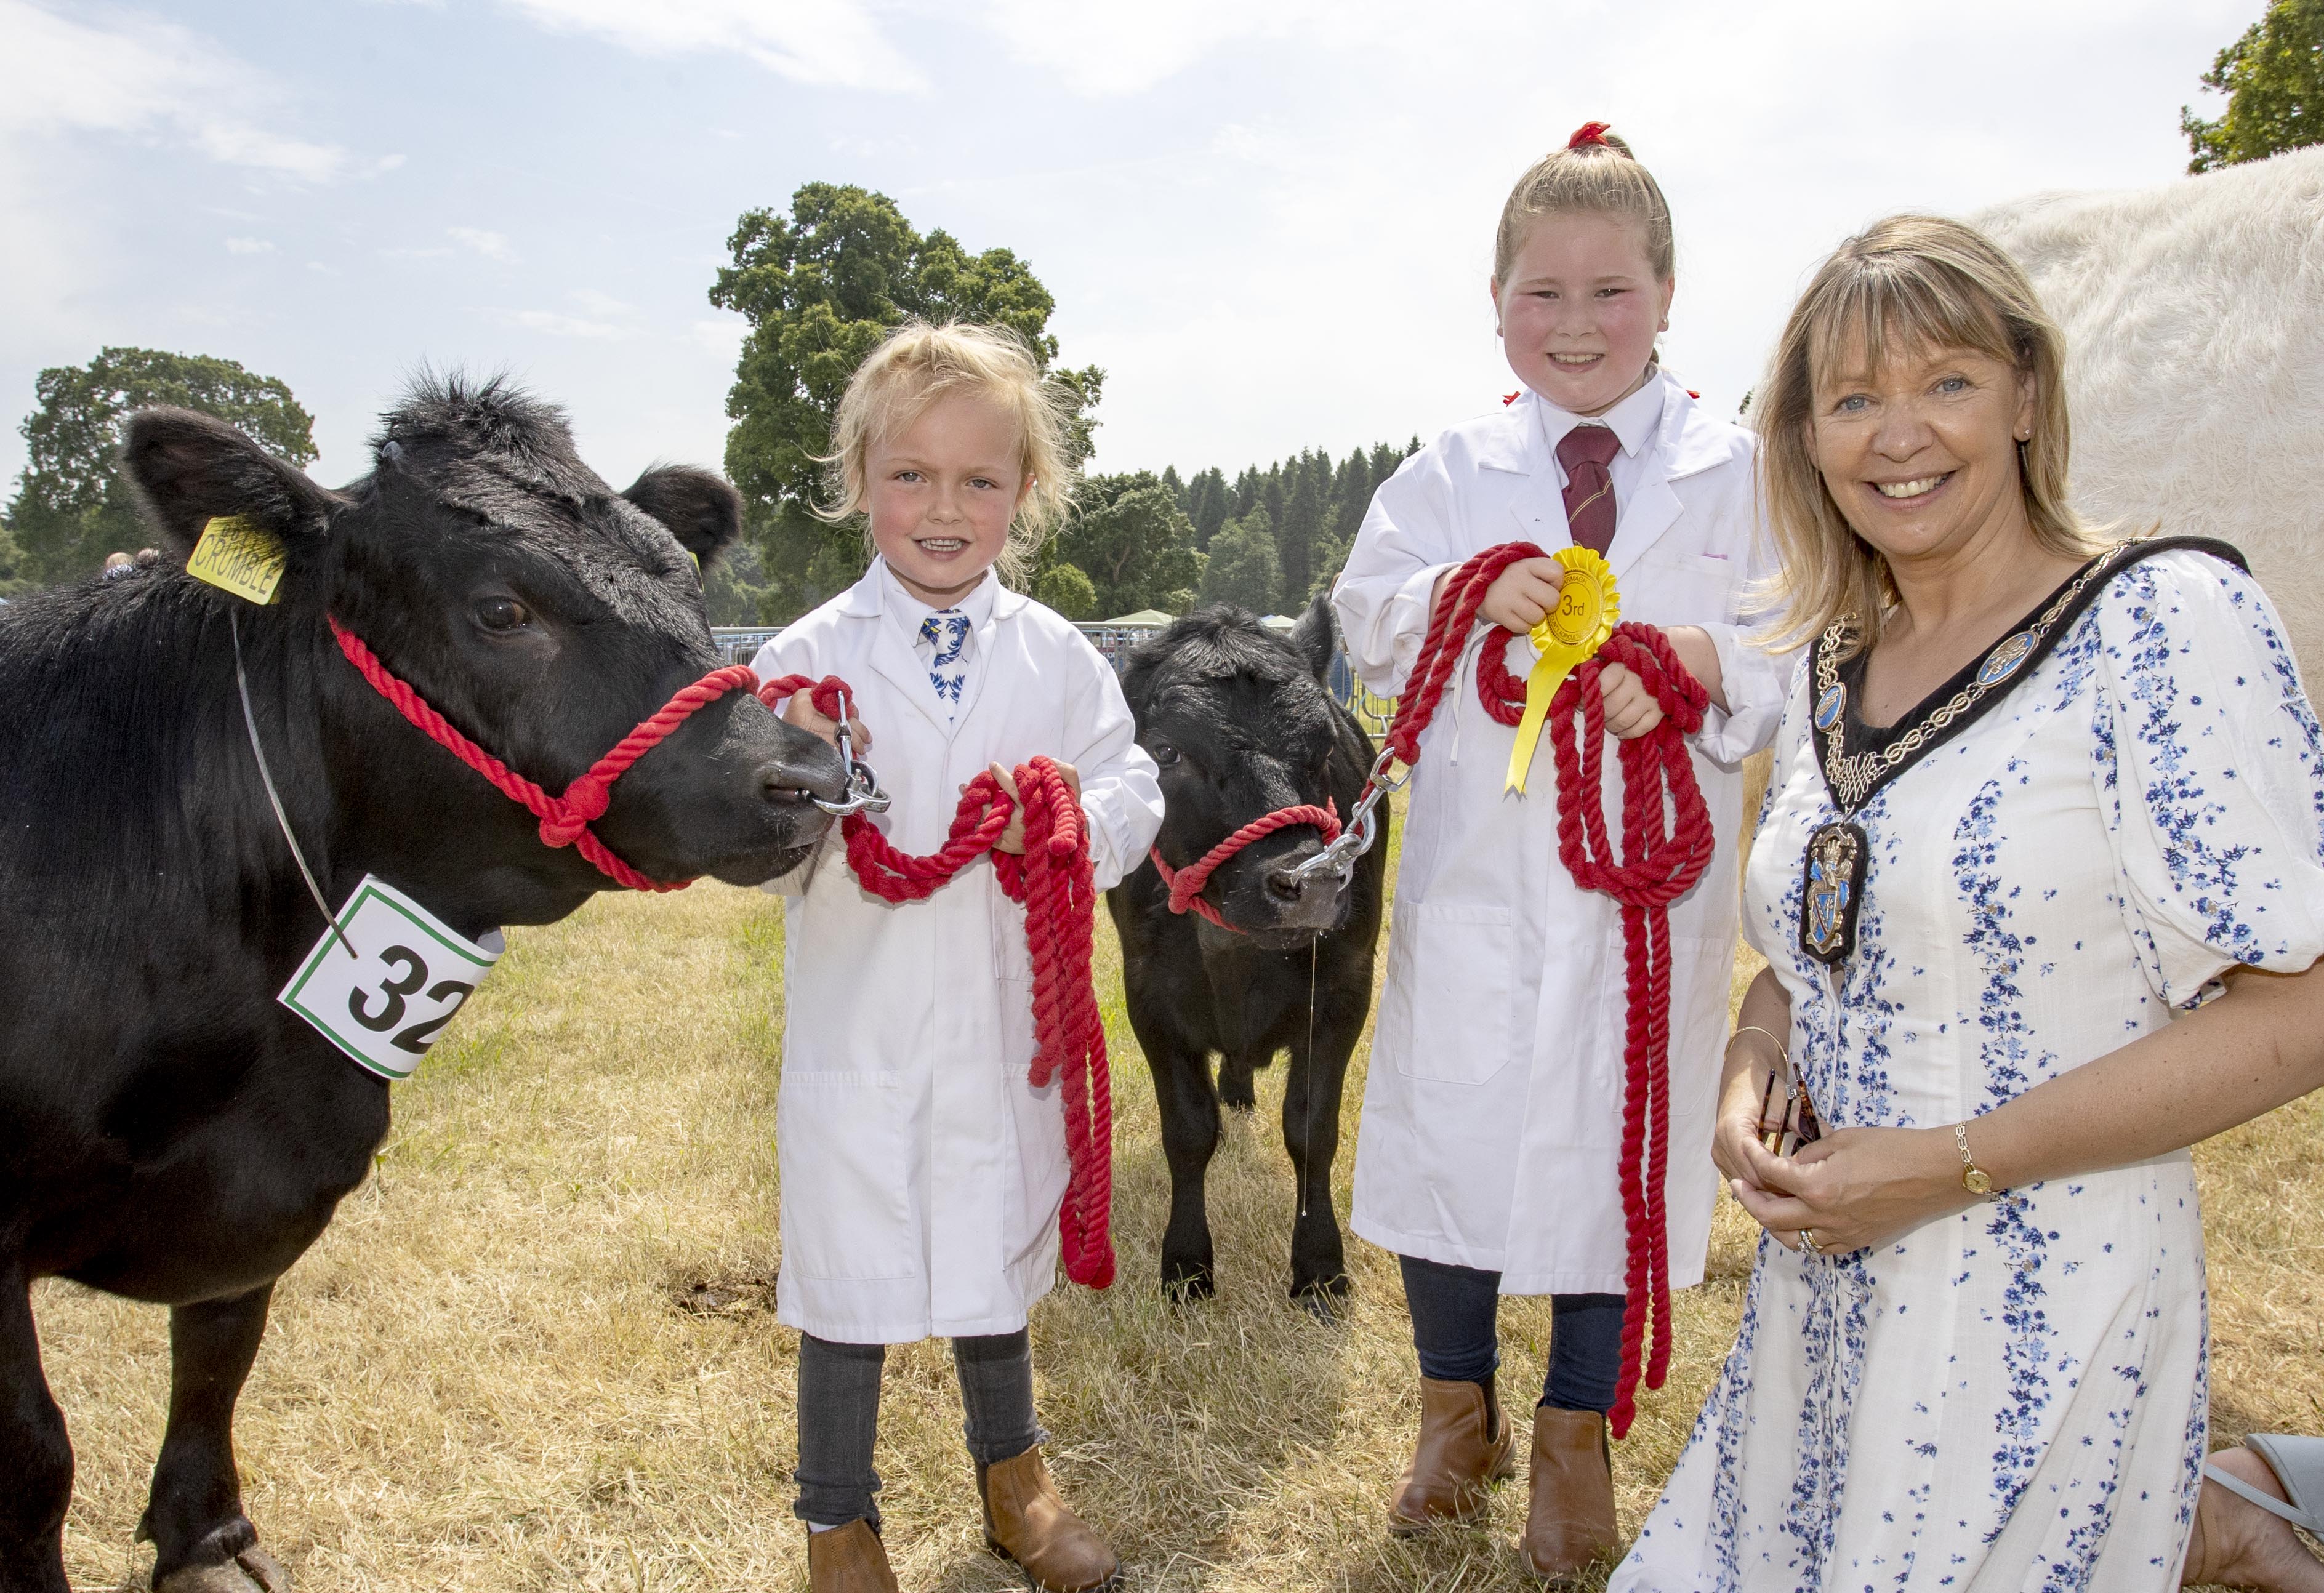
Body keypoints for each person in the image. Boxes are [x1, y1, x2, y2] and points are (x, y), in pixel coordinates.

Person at [1613, 215, 2324, 1591]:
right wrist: (1748, 1068)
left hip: (2047, 1299)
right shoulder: (1830, 664)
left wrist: (1953, 1162)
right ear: (1804, 439)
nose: (1897, 434)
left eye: (1943, 381)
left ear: (2026, 396)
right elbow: (1809, 954)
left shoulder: (2158, 620)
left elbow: (2303, 1001)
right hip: (1825, 1292)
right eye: (1852, 398)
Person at [1332, 122, 1787, 1579]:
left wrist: (1698, 662)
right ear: (1496, 299)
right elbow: (1365, 612)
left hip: (1645, 887)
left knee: (1619, 1145)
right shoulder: (1451, 470)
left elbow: (1803, 636)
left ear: (1666, 293)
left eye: (1609, 292)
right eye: (1543, 292)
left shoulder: (1743, 474)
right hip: (1482, 878)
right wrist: (1469, 591)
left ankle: (1575, 1428)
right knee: (1450, 1136)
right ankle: (1452, 1407)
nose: (1575, 325)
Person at [752, 320, 1164, 1593]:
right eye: (910, 477)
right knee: (850, 1275)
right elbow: (759, 854)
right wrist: (802, 785)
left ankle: (1015, 1480)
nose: (944, 507)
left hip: (999, 1024)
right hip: (858, 1026)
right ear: (861, 483)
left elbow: (1130, 783)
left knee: (988, 1252)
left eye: (979, 480)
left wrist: (1066, 825)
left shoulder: (1055, 656)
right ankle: (837, 1520)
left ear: (1023, 493)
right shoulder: (802, 661)